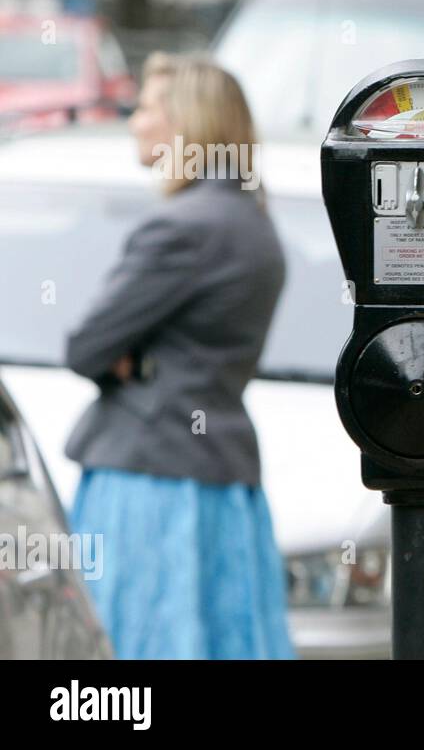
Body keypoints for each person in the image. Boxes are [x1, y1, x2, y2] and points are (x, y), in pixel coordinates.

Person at [63, 52, 293, 659]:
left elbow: (85, 346)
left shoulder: (182, 228)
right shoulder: (254, 222)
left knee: (131, 655)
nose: (134, 121)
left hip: (151, 482)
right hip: (222, 481)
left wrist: (130, 360)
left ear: (188, 124)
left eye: (145, 108)